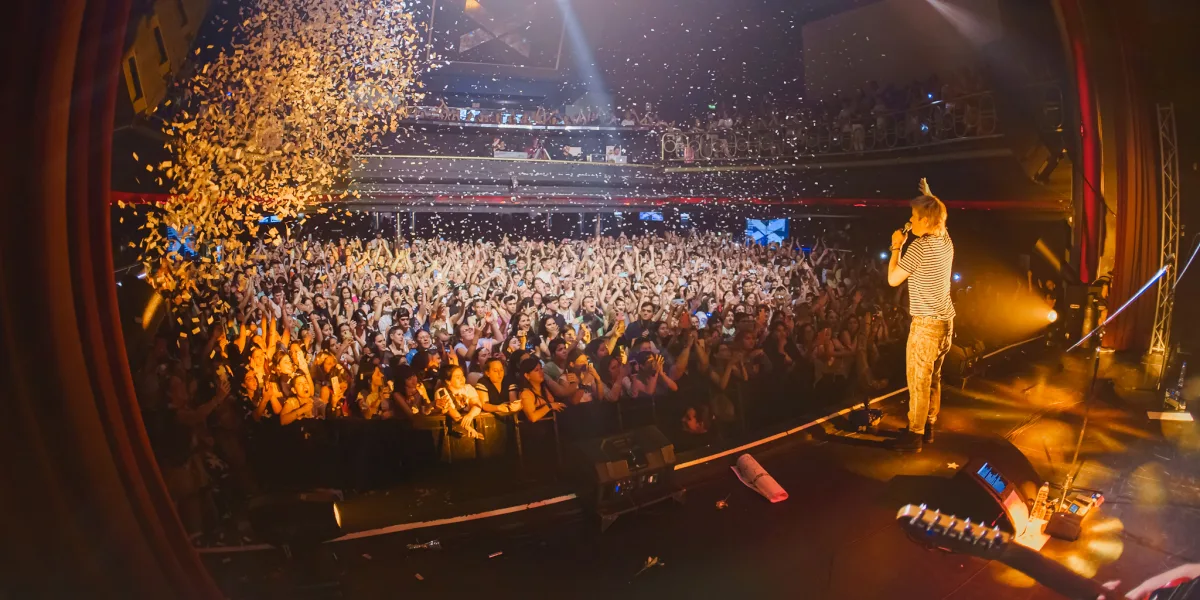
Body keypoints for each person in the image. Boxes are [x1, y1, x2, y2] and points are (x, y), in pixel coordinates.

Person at [888, 179, 955, 452]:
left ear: (926, 221)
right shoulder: (945, 240)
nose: (911, 220)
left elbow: (893, 279)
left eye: (915, 216)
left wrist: (896, 246)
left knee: (919, 383)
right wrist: (930, 196)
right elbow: (941, 216)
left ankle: (914, 436)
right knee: (934, 379)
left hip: (926, 327)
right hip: (946, 325)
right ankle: (928, 427)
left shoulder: (919, 247)